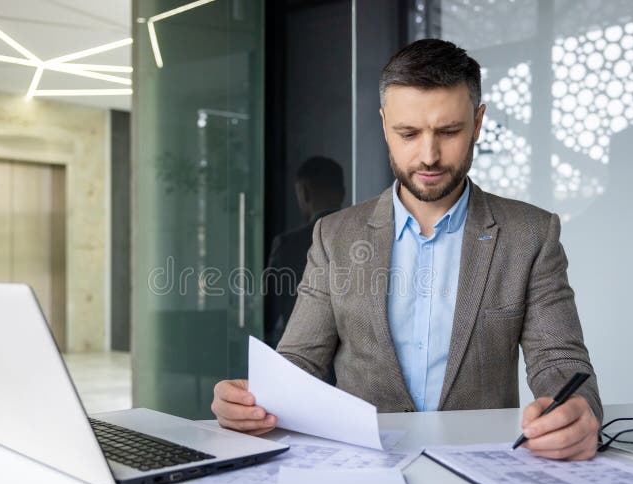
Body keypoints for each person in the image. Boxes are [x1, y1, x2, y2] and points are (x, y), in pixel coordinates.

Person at [212, 39, 602, 461]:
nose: (429, 156)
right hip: (361, 467)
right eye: (408, 133)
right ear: (384, 126)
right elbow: (300, 362)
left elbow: (558, 359)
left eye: (449, 131)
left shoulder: (530, 233)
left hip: (481, 470)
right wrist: (252, 402)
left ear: (478, 121)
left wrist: (578, 411)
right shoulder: (334, 236)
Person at [264, 156, 346, 347]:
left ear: (304, 192)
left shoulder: (287, 245)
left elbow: (268, 313)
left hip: (301, 359)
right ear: (343, 193)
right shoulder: (366, 239)